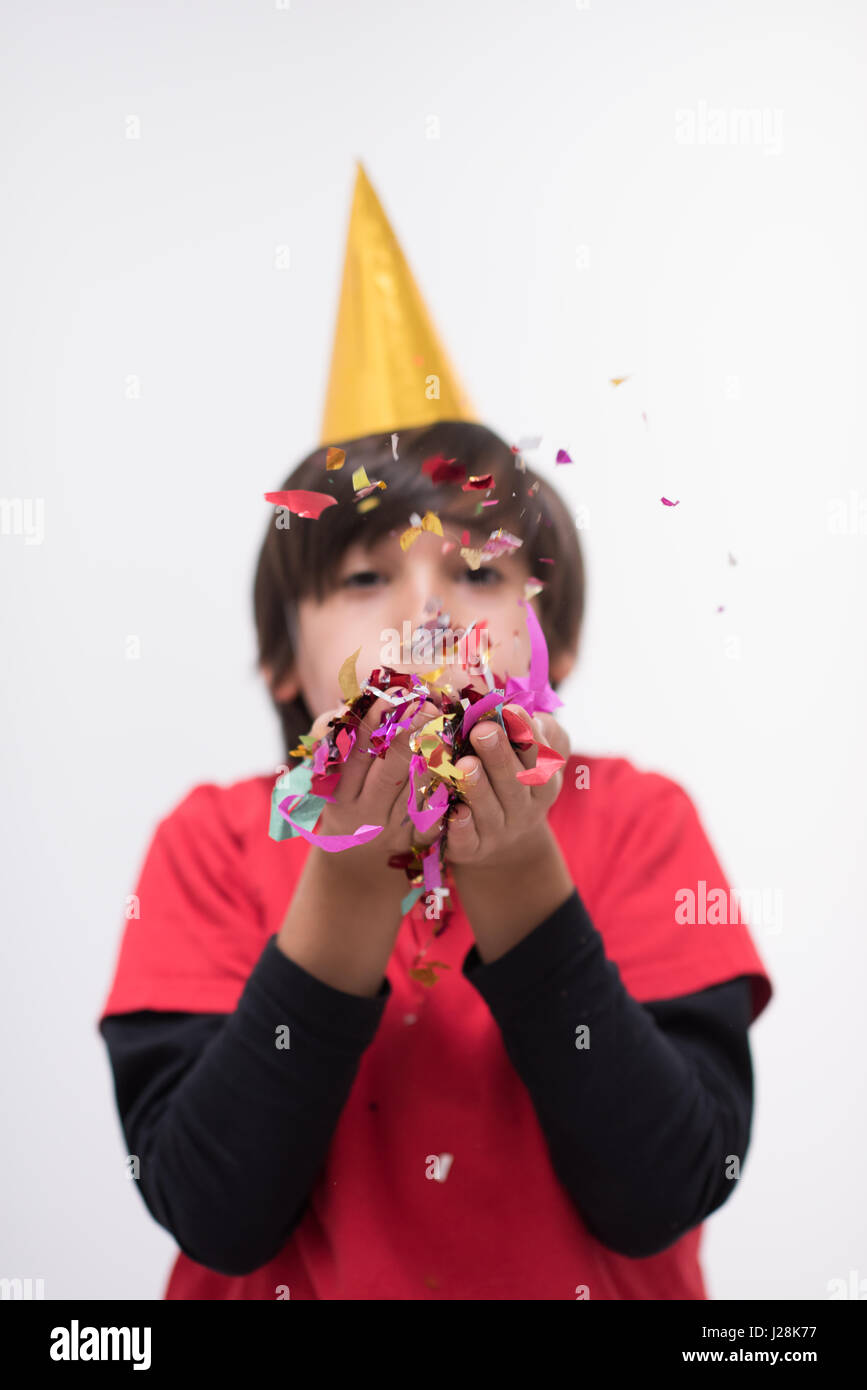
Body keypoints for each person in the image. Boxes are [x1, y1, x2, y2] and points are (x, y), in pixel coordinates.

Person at [97, 167, 773, 1301]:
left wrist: (518, 875)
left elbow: (666, 1189)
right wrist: (355, 881)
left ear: (543, 634)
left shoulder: (646, 823)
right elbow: (216, 1214)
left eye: (475, 568)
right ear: (281, 657)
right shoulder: (209, 844)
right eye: (365, 574)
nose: (424, 613)